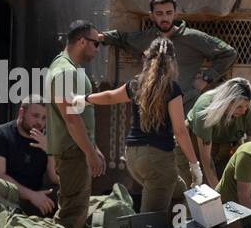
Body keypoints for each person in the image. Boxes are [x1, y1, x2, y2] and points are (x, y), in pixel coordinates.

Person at [82, 38, 200, 214]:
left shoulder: (137, 84)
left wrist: (84, 99)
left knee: (179, 193)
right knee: (150, 221)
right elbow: (180, 131)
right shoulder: (172, 89)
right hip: (157, 159)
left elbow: (109, 97)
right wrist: (194, 165)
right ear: (173, 62)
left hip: (133, 157)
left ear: (146, 59)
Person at [99, 0, 237, 96]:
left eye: (168, 13)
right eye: (159, 13)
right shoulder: (148, 37)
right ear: (152, 16)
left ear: (175, 14)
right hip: (156, 105)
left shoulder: (193, 37)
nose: (164, 18)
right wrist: (99, 37)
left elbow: (228, 53)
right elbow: (122, 38)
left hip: (185, 103)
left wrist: (206, 78)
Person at [44, 20, 107, 228]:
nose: (97, 49)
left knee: (75, 208)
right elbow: (71, 118)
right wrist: (89, 153)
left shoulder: (69, 69)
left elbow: (79, 115)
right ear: (82, 41)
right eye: (96, 43)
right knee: (72, 211)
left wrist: (92, 147)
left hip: (75, 148)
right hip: (72, 151)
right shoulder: (64, 72)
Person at [181, 77, 251, 187]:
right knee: (198, 188)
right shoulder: (204, 111)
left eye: (246, 106)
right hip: (195, 142)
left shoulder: (247, 106)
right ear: (226, 102)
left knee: (234, 183)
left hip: (228, 143)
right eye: (238, 107)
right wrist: (218, 195)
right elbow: (206, 159)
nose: (244, 111)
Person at [0, 100, 58, 216]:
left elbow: (55, 178)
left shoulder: (45, 140)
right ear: (22, 112)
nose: (40, 122)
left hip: (35, 202)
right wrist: (32, 195)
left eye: (44, 118)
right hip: (3, 201)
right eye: (35, 116)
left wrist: (50, 151)